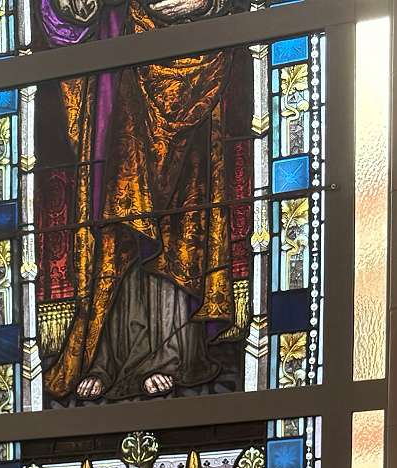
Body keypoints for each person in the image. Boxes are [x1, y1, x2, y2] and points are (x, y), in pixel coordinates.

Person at [40, 0, 247, 403]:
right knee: (123, 214)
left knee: (178, 217)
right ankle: (105, 357)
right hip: (125, 53)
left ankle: (169, 354)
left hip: (191, 57)